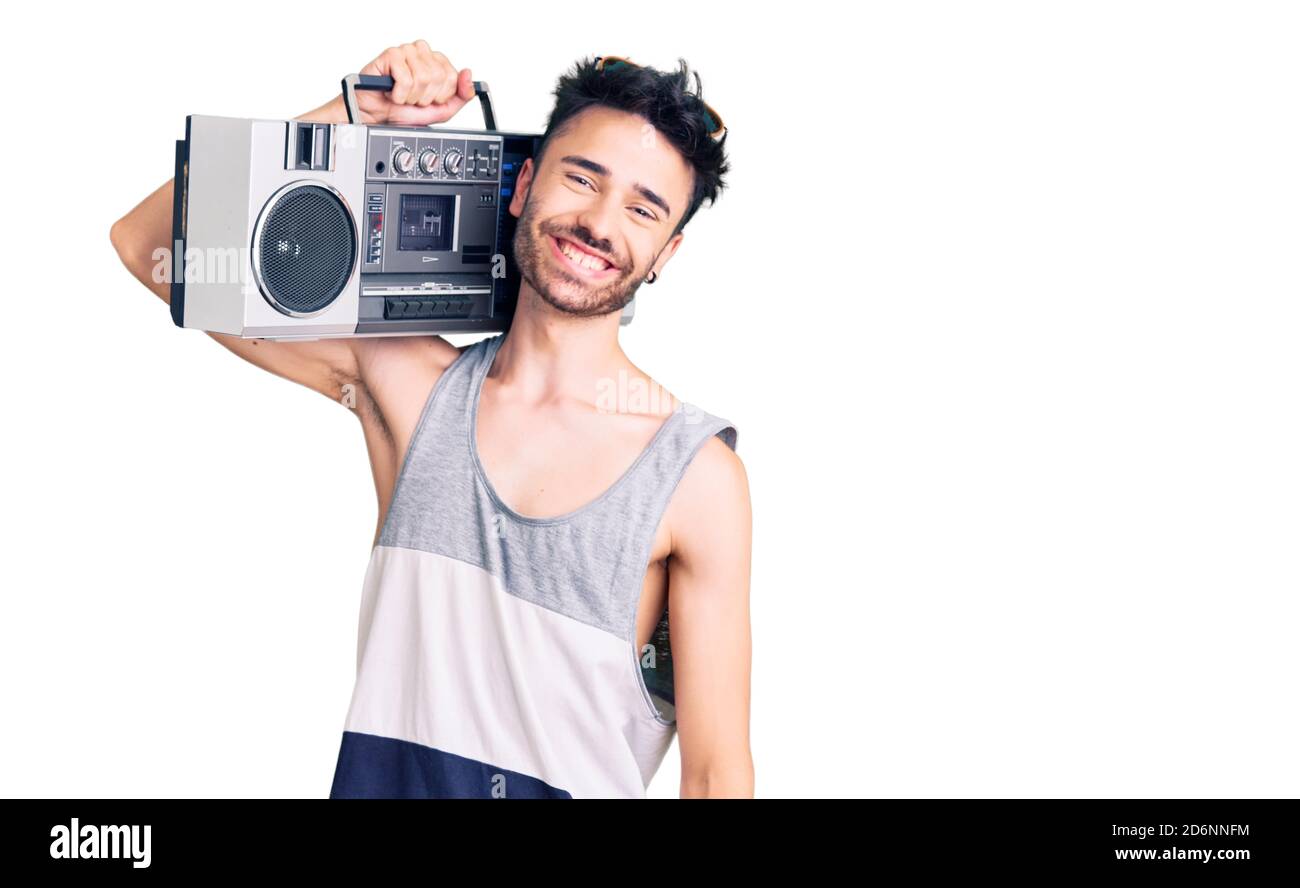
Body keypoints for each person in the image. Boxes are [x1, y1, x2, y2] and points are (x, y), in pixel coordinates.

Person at [110, 40, 752, 798]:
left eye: (643, 208)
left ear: (664, 253)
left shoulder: (695, 477)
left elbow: (714, 776)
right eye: (583, 177)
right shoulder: (408, 384)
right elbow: (154, 245)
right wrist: (356, 112)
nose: (599, 223)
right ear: (523, 184)